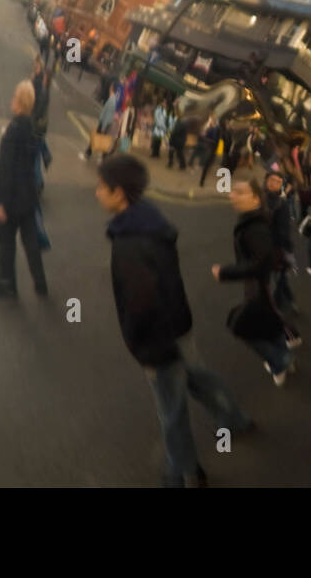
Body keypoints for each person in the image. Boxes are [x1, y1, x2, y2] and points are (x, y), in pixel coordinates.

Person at [96, 155, 252, 488]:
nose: (97, 193)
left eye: (101, 187)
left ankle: (184, 473)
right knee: (197, 377)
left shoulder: (129, 245)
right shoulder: (152, 222)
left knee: (171, 410)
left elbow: (141, 305)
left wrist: (147, 350)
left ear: (119, 193)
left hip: (159, 339)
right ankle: (234, 419)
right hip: (180, 324)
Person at [213, 178, 295, 386]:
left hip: (260, 285)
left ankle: (280, 361)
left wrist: (226, 272)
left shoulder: (255, 226)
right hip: (259, 284)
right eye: (233, 191)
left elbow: (262, 261)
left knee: (240, 326)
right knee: (271, 323)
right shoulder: (253, 219)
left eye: (240, 192)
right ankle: (284, 357)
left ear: (255, 198)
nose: (233, 195)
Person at [0, 80, 47, 297]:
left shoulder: (12, 131)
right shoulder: (33, 131)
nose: (11, 101)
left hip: (12, 198)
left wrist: (0, 203)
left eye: (15, 98)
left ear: (19, 103)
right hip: (28, 197)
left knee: (6, 243)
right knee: (31, 243)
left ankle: (9, 285)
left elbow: (5, 170)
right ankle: (41, 284)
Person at [264, 168, 301, 323]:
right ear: (266, 181)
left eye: (278, 182)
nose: (275, 184)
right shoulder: (260, 199)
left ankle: (279, 311)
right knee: (279, 280)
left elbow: (284, 232)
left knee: (278, 280)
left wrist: (288, 250)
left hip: (276, 250)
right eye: (272, 180)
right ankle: (289, 303)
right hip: (263, 249)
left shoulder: (282, 204)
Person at [81, 82, 120, 160]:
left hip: (103, 124)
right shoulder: (112, 99)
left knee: (96, 139)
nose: (109, 88)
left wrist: (103, 127)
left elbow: (108, 115)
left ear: (112, 88)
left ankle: (88, 154)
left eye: (111, 87)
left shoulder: (112, 100)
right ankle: (102, 157)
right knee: (101, 139)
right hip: (104, 124)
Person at [31, 59, 53, 192]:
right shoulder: (45, 90)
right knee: (37, 151)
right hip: (41, 128)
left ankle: (39, 183)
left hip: (38, 128)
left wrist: (30, 121)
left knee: (35, 158)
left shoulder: (44, 92)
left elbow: (38, 112)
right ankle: (47, 155)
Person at [197, 115, 220, 187]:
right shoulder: (215, 129)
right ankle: (202, 180)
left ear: (213, 122)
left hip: (210, 149)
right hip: (212, 149)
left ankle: (202, 182)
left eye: (211, 121)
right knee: (208, 164)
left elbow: (213, 140)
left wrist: (203, 137)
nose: (210, 122)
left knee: (206, 166)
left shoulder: (213, 129)